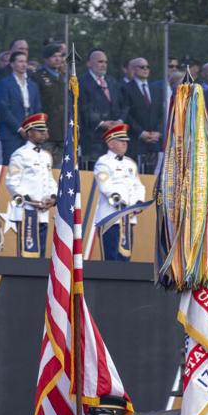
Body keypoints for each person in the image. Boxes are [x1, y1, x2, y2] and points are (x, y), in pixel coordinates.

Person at [92, 123, 145, 261]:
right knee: (111, 260)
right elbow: (105, 185)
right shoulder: (103, 162)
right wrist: (120, 201)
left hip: (128, 219)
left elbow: (138, 186)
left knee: (125, 260)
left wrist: (138, 202)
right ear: (110, 144)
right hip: (111, 217)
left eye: (126, 141)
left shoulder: (130, 163)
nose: (125, 144)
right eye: (121, 141)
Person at [4, 113, 55, 257]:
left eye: (45, 130)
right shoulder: (20, 154)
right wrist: (29, 200)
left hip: (43, 211)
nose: (44, 133)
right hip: (28, 211)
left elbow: (50, 180)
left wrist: (53, 197)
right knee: (28, 254)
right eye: (40, 130)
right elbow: (12, 182)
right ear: (29, 133)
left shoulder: (46, 156)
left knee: (41, 253)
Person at [78, 49, 124, 165]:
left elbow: (122, 105)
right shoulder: (81, 82)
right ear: (89, 63)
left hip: (112, 139)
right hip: (92, 139)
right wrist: (101, 123)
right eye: (100, 62)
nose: (103, 65)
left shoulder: (112, 81)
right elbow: (83, 108)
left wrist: (119, 121)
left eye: (105, 62)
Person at [0, 50, 41, 164]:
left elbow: (37, 108)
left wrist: (32, 128)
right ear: (12, 64)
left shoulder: (32, 85)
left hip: (30, 133)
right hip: (11, 134)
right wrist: (19, 128)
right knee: (12, 166)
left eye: (25, 61)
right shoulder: (4, 83)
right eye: (20, 61)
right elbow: (4, 109)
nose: (24, 64)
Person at [121, 57, 161, 167]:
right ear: (133, 69)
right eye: (142, 67)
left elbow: (160, 113)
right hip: (135, 141)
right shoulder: (126, 88)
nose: (146, 69)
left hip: (153, 142)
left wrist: (158, 132)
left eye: (147, 67)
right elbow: (126, 114)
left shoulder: (155, 89)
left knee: (151, 176)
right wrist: (140, 132)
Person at [34, 44, 66, 162]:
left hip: (63, 130)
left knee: (63, 169)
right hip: (47, 130)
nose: (58, 59)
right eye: (54, 56)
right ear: (46, 59)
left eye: (60, 56)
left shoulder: (64, 77)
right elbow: (37, 105)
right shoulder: (37, 77)